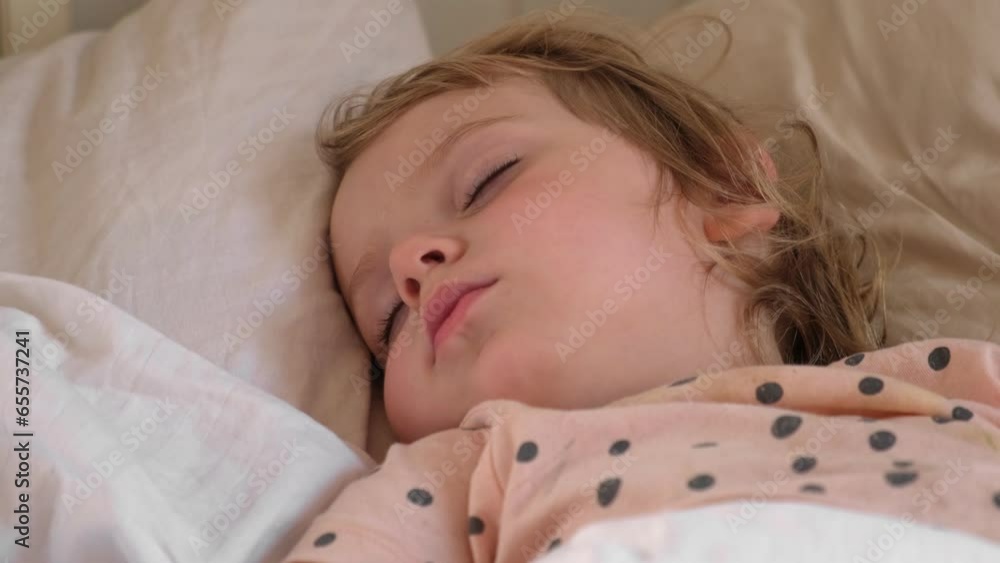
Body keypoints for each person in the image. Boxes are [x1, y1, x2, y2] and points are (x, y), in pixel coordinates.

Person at [284, 12, 1000, 562]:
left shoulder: (947, 387)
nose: (414, 265)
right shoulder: (457, 474)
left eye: (485, 180)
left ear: (724, 186)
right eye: (386, 321)